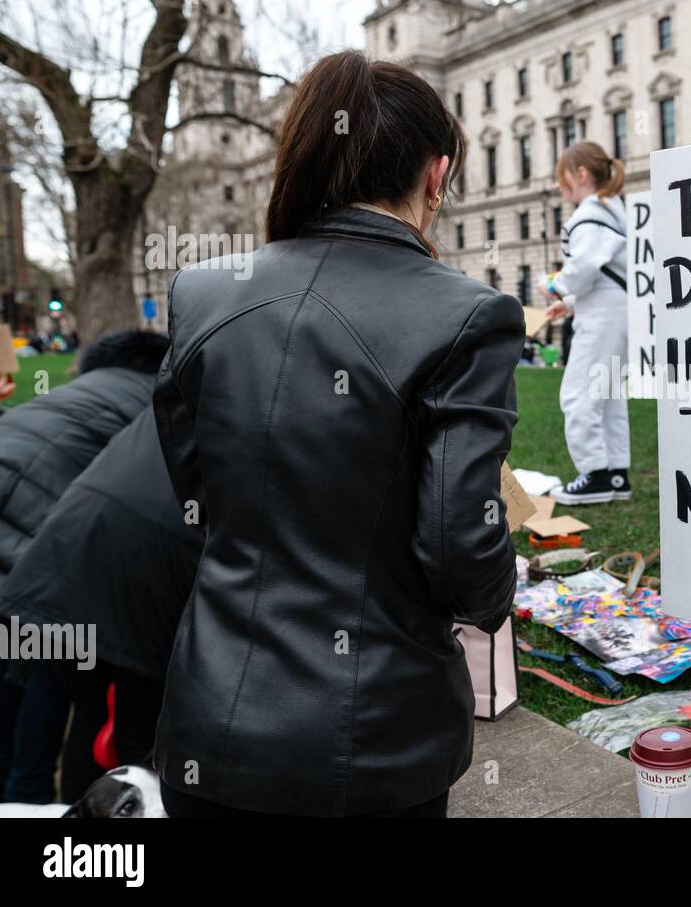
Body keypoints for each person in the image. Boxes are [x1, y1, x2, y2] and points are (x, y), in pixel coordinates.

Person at [152, 50, 524, 818]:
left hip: (210, 721)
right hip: (374, 741)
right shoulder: (467, 313)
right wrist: (492, 600)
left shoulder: (202, 291)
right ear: (435, 175)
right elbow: (460, 547)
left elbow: (198, 498)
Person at [0, 330, 169, 805]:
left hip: (24, 533)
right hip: (47, 552)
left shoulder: (72, 393)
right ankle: (36, 804)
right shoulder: (154, 402)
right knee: (50, 692)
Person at [544, 142, 632, 506]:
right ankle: (614, 473)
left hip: (603, 316)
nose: (559, 185)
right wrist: (571, 304)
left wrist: (553, 285)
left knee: (579, 394)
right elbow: (605, 272)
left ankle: (595, 474)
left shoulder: (589, 213)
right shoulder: (614, 209)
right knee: (608, 394)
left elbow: (581, 270)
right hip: (616, 309)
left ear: (580, 175)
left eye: (562, 176)